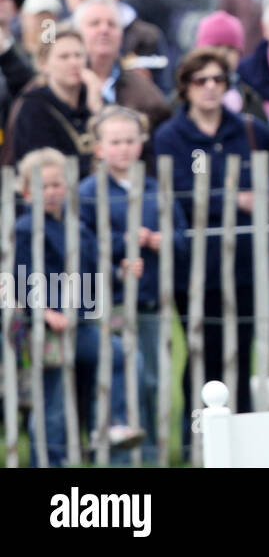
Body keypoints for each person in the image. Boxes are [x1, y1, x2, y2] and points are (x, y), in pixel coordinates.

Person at [152, 48, 269, 417]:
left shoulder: (252, 130)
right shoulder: (170, 136)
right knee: (200, 350)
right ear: (185, 88)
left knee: (240, 347)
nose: (210, 87)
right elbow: (177, 195)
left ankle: (239, 430)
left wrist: (255, 199)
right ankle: (199, 434)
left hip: (244, 260)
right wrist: (233, 200)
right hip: (194, 266)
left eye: (218, 79)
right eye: (200, 80)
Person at [15, 147, 146, 465]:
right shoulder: (24, 229)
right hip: (47, 331)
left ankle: (109, 430)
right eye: (43, 187)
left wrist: (119, 272)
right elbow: (14, 279)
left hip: (80, 322)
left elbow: (92, 270)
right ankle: (64, 451)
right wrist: (42, 312)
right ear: (27, 192)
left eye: (57, 184)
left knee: (71, 392)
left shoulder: (76, 226)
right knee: (56, 402)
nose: (51, 192)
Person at [78, 106, 190, 458]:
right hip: (109, 304)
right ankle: (120, 454)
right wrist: (120, 246)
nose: (123, 148)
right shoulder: (87, 192)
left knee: (154, 380)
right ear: (98, 147)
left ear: (141, 144)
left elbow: (183, 237)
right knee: (122, 379)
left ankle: (155, 452)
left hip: (150, 301)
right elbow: (81, 244)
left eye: (130, 141)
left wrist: (161, 240)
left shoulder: (156, 189)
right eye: (115, 142)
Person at [72, 0, 172, 138]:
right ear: (77, 34)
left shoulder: (143, 90)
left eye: (112, 24)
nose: (104, 30)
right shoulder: (64, 84)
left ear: (121, 35)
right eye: (94, 24)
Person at [3, 27, 99, 177]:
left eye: (78, 55)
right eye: (64, 57)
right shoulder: (33, 107)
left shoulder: (92, 98)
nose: (74, 62)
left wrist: (97, 107)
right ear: (44, 64)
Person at [195, 10, 268, 122]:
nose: (222, 55)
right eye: (216, 48)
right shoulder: (184, 98)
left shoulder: (251, 98)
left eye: (230, 49)